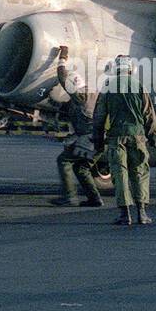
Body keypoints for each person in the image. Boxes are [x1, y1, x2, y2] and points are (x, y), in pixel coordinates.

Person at [92, 55, 156, 227]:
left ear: (116, 68)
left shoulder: (108, 87)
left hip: (116, 138)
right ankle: (142, 213)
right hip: (137, 137)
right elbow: (149, 114)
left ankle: (125, 214)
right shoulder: (139, 86)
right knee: (140, 173)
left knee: (120, 174)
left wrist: (98, 141)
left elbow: (99, 116)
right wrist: (153, 136)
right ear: (132, 69)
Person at [53, 46, 103, 208]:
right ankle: (95, 199)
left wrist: (63, 57)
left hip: (89, 140)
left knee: (64, 160)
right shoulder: (94, 94)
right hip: (99, 140)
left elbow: (62, 76)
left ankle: (69, 197)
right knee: (82, 168)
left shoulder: (80, 96)